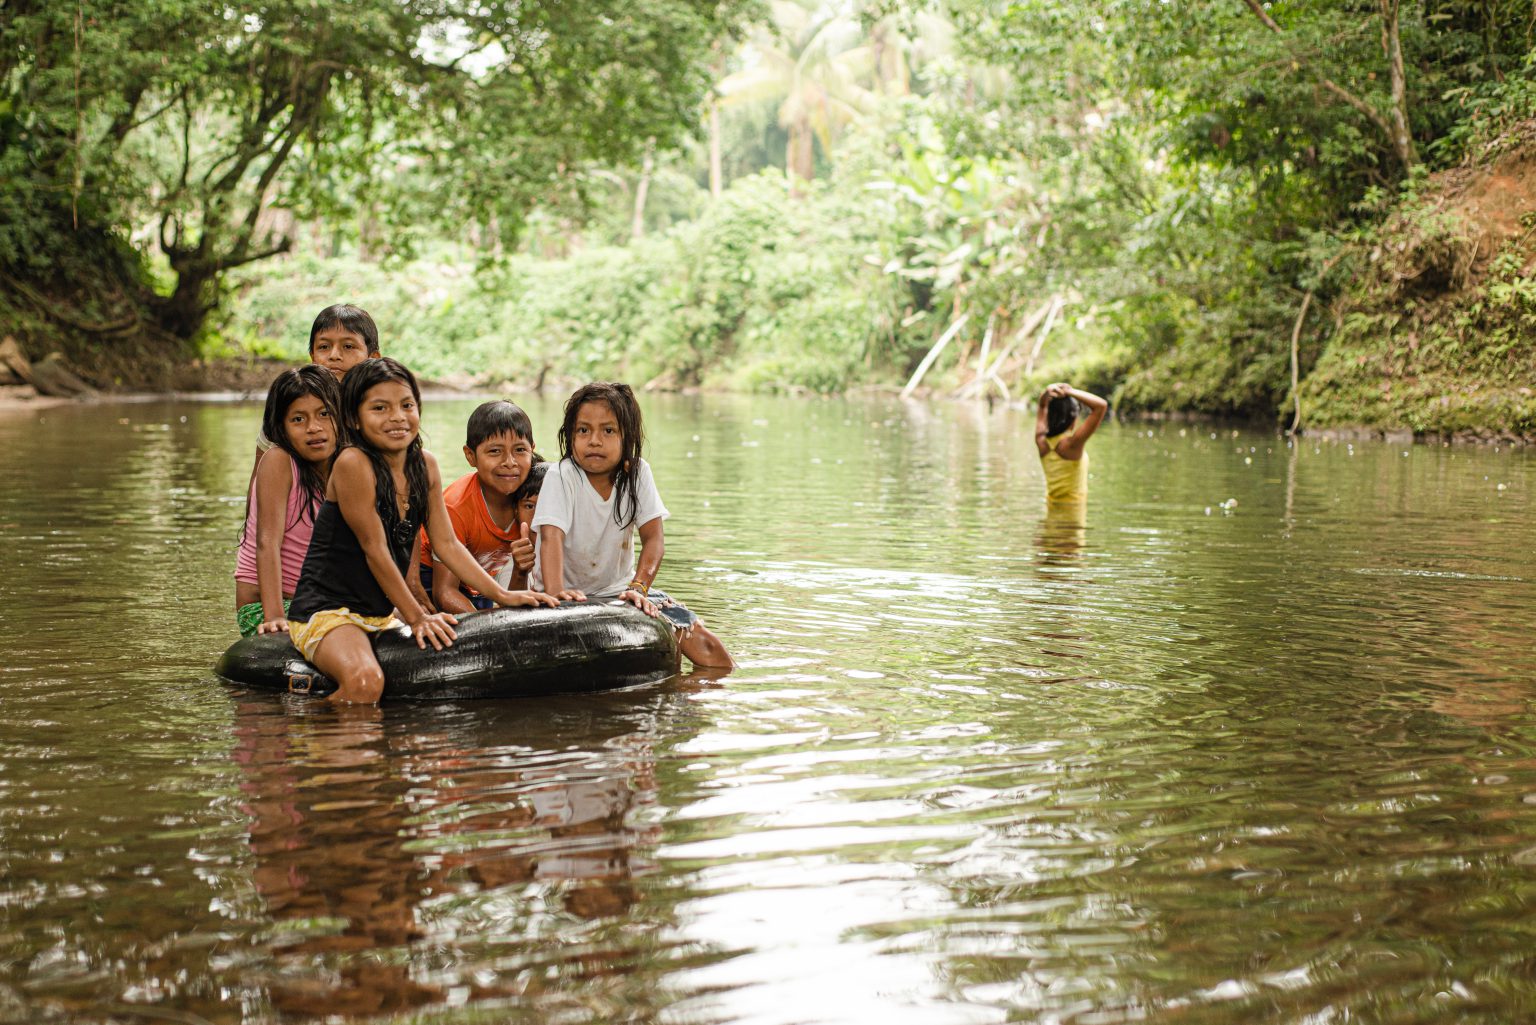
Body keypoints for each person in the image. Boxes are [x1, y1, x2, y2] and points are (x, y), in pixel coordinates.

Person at [285, 358, 558, 704]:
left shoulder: (424, 464)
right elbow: (375, 549)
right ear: (354, 419)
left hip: (378, 615)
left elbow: (447, 544)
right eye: (380, 408)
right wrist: (417, 617)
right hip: (328, 611)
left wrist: (504, 597)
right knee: (366, 683)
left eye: (406, 405)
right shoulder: (353, 463)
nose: (397, 417)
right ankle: (304, 742)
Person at [532, 381, 733, 669]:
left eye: (608, 430)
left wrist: (639, 588)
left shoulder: (637, 473)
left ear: (627, 437)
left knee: (710, 649)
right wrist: (555, 593)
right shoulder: (562, 475)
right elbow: (551, 537)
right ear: (570, 435)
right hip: (563, 593)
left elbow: (653, 539)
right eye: (583, 430)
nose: (594, 440)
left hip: (618, 592)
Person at [234, 366, 342, 637]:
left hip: (323, 602)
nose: (313, 428)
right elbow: (267, 541)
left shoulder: (346, 464)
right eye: (298, 419)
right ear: (281, 427)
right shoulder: (279, 461)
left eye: (324, 414)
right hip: (270, 605)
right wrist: (274, 618)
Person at [418, 400, 539, 613]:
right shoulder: (457, 507)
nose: (509, 462)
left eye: (520, 450)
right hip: (428, 573)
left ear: (532, 450)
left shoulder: (533, 497)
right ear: (470, 456)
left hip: (482, 579)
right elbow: (444, 593)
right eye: (494, 451)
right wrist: (487, 628)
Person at [1034, 381, 1108, 504]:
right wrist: (1069, 391)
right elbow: (1101, 406)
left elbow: (1042, 406)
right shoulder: (1072, 445)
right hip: (1073, 515)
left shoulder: (1041, 441)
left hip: (1051, 510)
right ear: (1073, 417)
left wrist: (1048, 391)